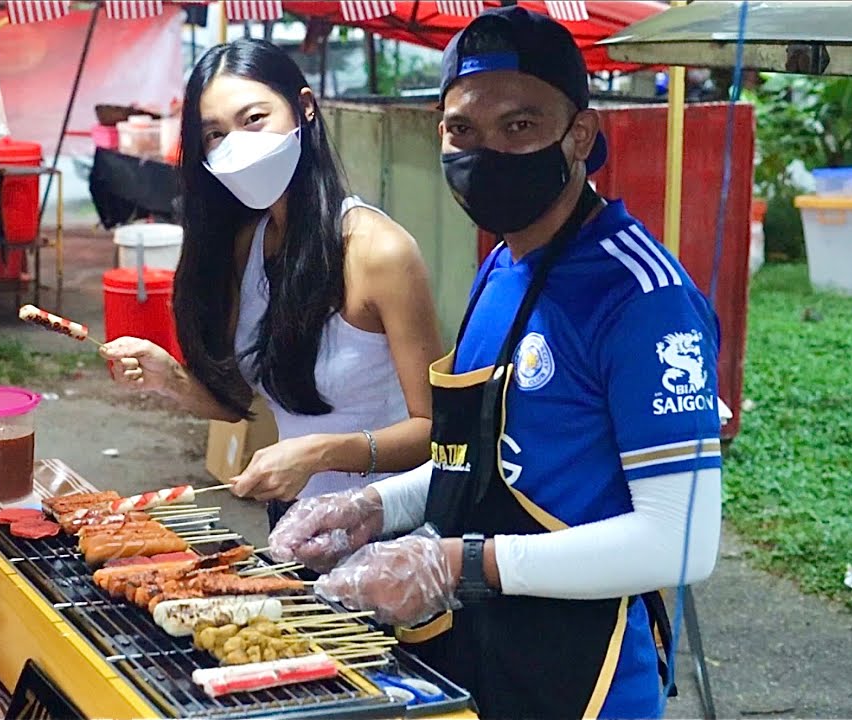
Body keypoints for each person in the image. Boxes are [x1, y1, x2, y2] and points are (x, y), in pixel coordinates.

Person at [267, 8, 723, 719]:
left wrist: (454, 565)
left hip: (586, 682)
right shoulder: (501, 265)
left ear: (580, 134)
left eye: (520, 125)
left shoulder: (641, 296)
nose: (487, 152)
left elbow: (680, 541)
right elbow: (480, 462)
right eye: (462, 130)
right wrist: (369, 506)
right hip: (474, 658)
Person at [101, 39, 443, 527]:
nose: (236, 144)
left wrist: (320, 455)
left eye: (254, 119)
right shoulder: (248, 243)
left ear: (304, 108)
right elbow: (250, 403)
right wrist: (171, 379)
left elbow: (437, 433)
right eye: (215, 134)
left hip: (385, 529)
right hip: (295, 523)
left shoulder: (380, 251)